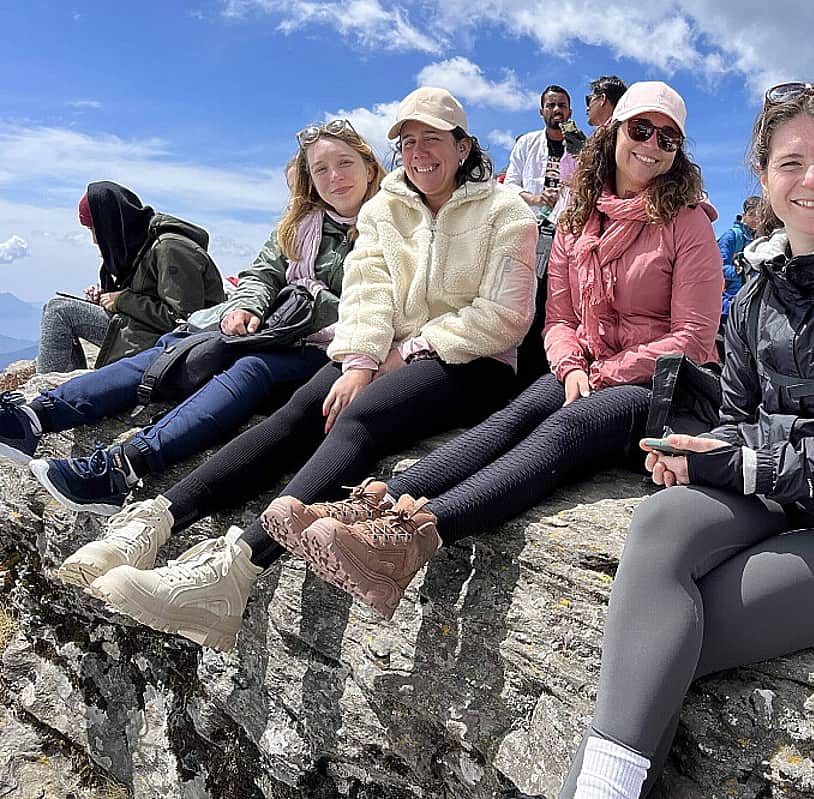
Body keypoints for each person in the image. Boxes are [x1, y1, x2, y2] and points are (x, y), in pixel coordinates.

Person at [558, 80, 814, 799]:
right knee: (660, 522)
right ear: (762, 175)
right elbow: (739, 416)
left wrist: (748, 458)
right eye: (790, 163)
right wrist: (702, 453)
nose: (810, 180)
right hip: (789, 502)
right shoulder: (756, 295)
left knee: (662, 641)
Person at [79, 88, 538, 653]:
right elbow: (368, 294)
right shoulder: (384, 209)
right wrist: (363, 359)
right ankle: (160, 519)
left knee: (363, 415)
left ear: (463, 146)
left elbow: (505, 315)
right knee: (307, 405)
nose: (419, 154)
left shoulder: (505, 211)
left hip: (473, 359)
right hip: (389, 351)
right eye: (408, 142)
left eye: (434, 140)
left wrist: (403, 355)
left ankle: (237, 569)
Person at [259, 80, 722, 622]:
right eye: (641, 129)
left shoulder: (688, 223)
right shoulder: (578, 217)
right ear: (615, 132)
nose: (652, 144)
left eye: (668, 139)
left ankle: (408, 545)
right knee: (513, 417)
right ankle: (377, 503)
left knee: (561, 430)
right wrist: (572, 364)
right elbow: (561, 318)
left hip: (662, 385)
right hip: (589, 366)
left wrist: (601, 373)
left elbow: (691, 337)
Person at [0, 121, 384, 523]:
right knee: (174, 349)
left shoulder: (389, 225)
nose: (334, 177)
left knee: (249, 371)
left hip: (326, 346)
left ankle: (119, 470)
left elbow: (381, 301)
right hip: (267, 327)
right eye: (321, 169)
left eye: (345, 163)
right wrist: (249, 306)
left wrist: (303, 306)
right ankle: (32, 417)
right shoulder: (300, 224)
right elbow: (263, 273)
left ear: (369, 167)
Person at [37, 182, 224, 373]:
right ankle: (63, 389)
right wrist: (106, 297)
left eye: (94, 230)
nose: (94, 239)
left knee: (58, 310)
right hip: (148, 330)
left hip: (171, 344)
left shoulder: (170, 248)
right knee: (56, 308)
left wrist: (122, 300)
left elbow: (185, 320)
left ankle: (47, 392)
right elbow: (148, 292)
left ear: (110, 224)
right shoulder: (144, 242)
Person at [506, 85, 580, 381]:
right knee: (525, 301)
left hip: (564, 235)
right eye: (551, 105)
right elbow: (509, 184)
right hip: (530, 232)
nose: (557, 111)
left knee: (557, 303)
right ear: (541, 112)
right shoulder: (526, 143)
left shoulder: (579, 146)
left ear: (570, 112)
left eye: (562, 105)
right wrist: (535, 198)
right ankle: (519, 376)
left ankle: (547, 373)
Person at [717, 195, 763, 319]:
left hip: (750, 303)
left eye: (759, 216)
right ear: (744, 215)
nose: (756, 219)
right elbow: (715, 268)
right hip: (728, 304)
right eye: (752, 214)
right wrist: (737, 272)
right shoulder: (732, 237)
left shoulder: (761, 240)